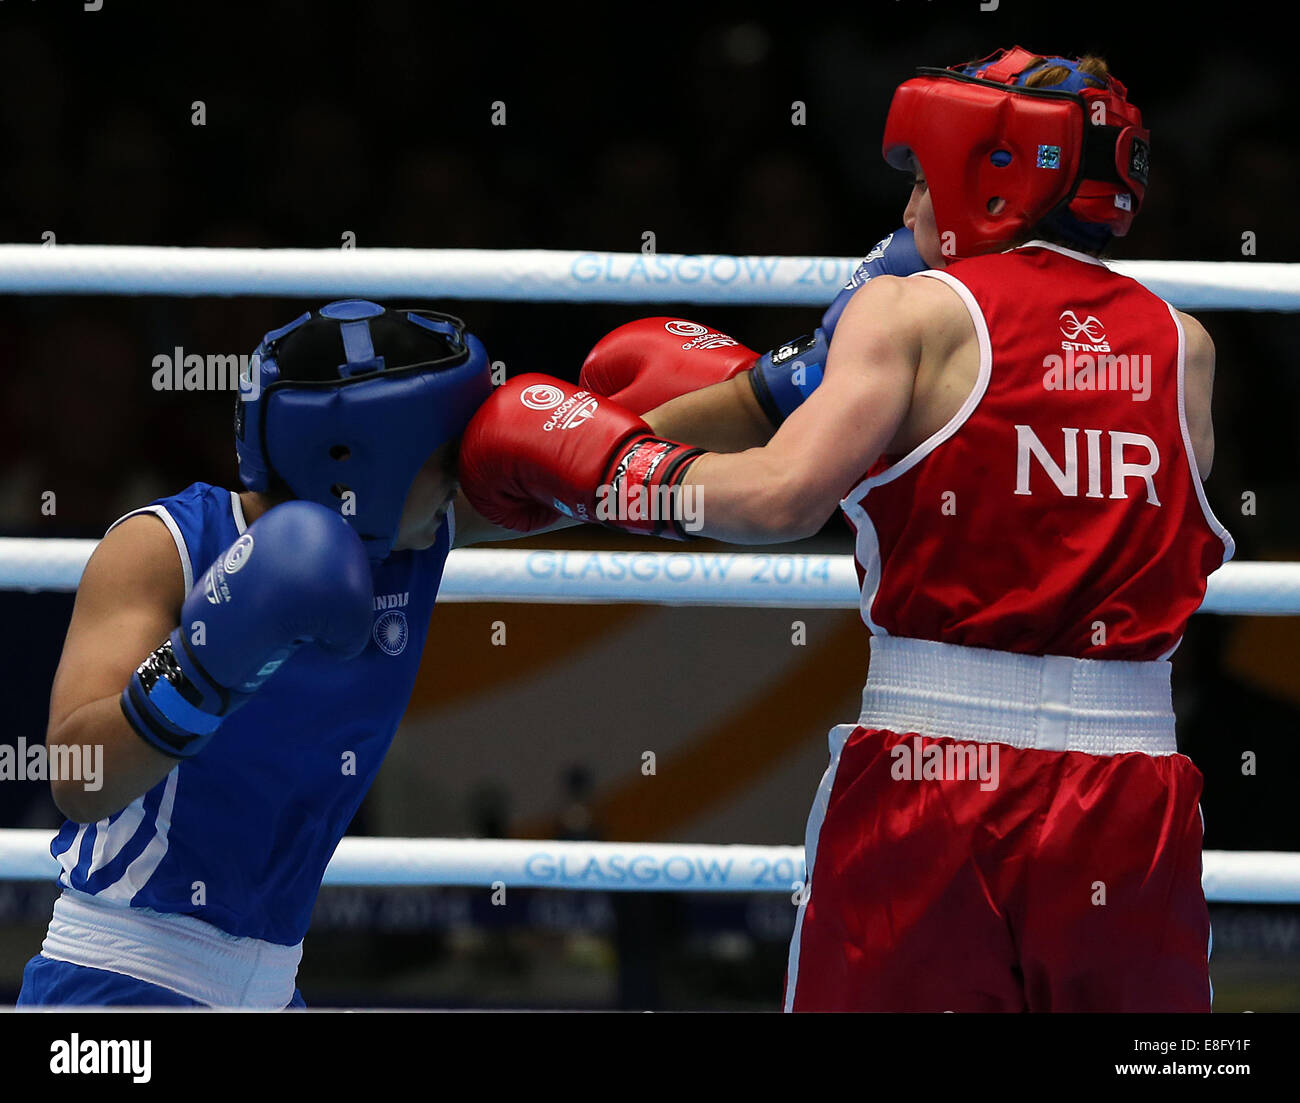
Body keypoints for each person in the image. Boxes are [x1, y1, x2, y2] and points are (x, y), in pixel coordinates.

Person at [455, 47, 1234, 1012]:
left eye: (919, 174)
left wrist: (618, 476)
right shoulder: (1182, 346)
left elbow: (783, 497)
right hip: (1132, 789)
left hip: (932, 769)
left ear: (991, 175)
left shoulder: (908, 313)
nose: (907, 205)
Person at [18, 300, 508, 1008]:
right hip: (121, 978)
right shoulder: (166, 547)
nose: (466, 478)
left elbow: (592, 469)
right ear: (374, 462)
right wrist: (203, 666)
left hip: (273, 987)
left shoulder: (413, 535)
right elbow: (75, 776)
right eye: (447, 458)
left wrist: (732, 395)